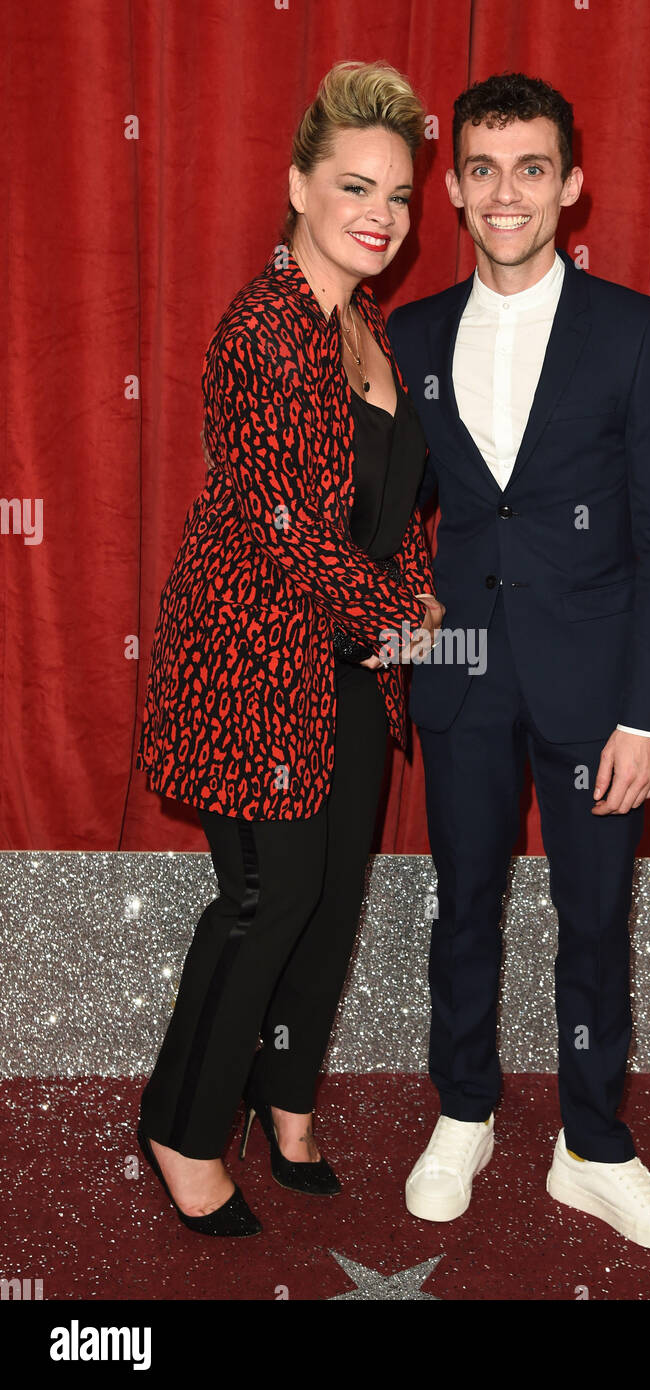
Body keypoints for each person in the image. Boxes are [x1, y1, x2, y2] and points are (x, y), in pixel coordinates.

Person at [388, 72, 650, 1253]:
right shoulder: (408, 335)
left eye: (529, 167)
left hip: (595, 690)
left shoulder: (636, 329)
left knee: (592, 915)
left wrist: (646, 716)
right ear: (454, 188)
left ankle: (592, 1141)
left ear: (568, 186)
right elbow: (383, 511)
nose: (503, 190)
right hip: (461, 672)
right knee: (461, 904)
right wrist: (390, 608)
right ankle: (462, 1106)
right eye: (480, 168)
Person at [134, 59, 442, 1236]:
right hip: (254, 664)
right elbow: (283, 531)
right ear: (298, 189)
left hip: (348, 672)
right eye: (354, 186)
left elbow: (398, 506)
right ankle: (179, 1122)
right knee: (270, 897)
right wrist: (396, 613)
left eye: (400, 195)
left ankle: (285, 1098)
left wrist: (405, 599)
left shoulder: (365, 328)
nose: (380, 213)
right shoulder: (265, 328)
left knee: (330, 900)